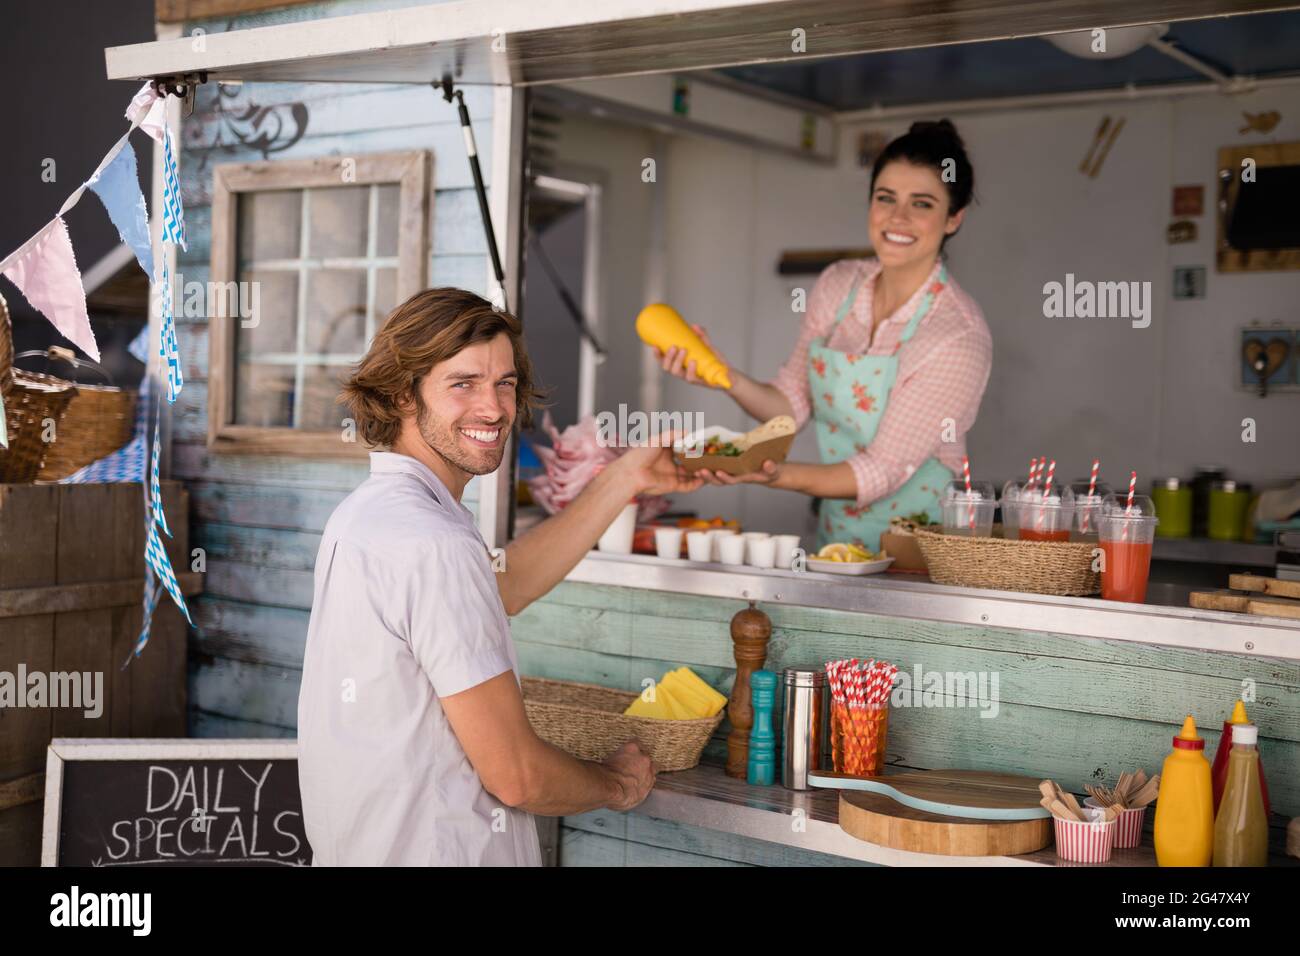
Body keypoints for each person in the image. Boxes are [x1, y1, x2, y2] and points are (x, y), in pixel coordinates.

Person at [297, 288, 702, 865]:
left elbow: (501, 588)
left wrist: (623, 480)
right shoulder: (433, 542)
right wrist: (615, 783)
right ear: (399, 394)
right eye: (463, 383)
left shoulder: (368, 513)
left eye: (504, 383)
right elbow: (517, 776)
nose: (493, 408)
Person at [657, 120, 993, 549]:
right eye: (885, 198)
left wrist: (771, 474)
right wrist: (721, 375)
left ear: (953, 218)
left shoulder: (957, 336)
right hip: (836, 538)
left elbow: (881, 470)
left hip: (919, 552)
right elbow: (789, 408)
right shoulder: (839, 286)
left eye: (922, 204)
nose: (898, 217)